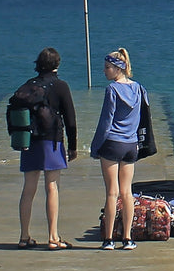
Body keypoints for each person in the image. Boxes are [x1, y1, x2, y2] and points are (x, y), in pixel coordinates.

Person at [17, 47, 78, 250]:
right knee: (52, 187)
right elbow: (70, 119)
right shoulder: (60, 86)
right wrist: (73, 146)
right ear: (57, 65)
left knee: (28, 188)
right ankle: (53, 237)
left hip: (30, 141)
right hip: (51, 141)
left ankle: (24, 236)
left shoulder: (28, 85)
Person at [89, 46, 147, 251]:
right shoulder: (139, 88)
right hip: (131, 145)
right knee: (127, 193)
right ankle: (128, 238)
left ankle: (109, 239)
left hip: (113, 143)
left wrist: (95, 148)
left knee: (112, 193)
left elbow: (106, 122)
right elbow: (141, 118)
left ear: (118, 69)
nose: (104, 71)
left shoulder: (112, 90)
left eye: (107, 67)